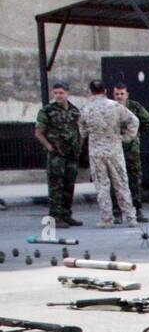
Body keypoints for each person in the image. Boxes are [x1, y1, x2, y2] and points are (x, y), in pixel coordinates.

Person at [77, 79, 138, 229]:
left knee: (102, 185)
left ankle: (106, 218)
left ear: (91, 92)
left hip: (96, 152)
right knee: (122, 183)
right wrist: (126, 138)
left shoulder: (86, 109)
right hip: (114, 149)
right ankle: (131, 217)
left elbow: (83, 132)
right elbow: (134, 121)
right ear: (105, 91)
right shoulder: (115, 106)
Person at [34, 81, 82, 228]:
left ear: (67, 93)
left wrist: (79, 147)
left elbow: (79, 130)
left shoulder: (74, 111)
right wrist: (49, 146)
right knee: (56, 187)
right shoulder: (47, 111)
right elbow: (38, 132)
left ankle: (66, 215)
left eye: (61, 93)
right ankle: (55, 217)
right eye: (56, 93)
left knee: (69, 185)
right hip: (56, 156)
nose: (58, 96)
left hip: (71, 155)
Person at [110, 84, 149, 224]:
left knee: (134, 180)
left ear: (127, 95)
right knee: (115, 181)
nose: (119, 97)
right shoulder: (109, 108)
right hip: (114, 150)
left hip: (131, 150)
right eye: (117, 94)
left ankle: (137, 210)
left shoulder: (134, 107)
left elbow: (147, 121)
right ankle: (117, 213)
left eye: (122, 94)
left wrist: (135, 135)